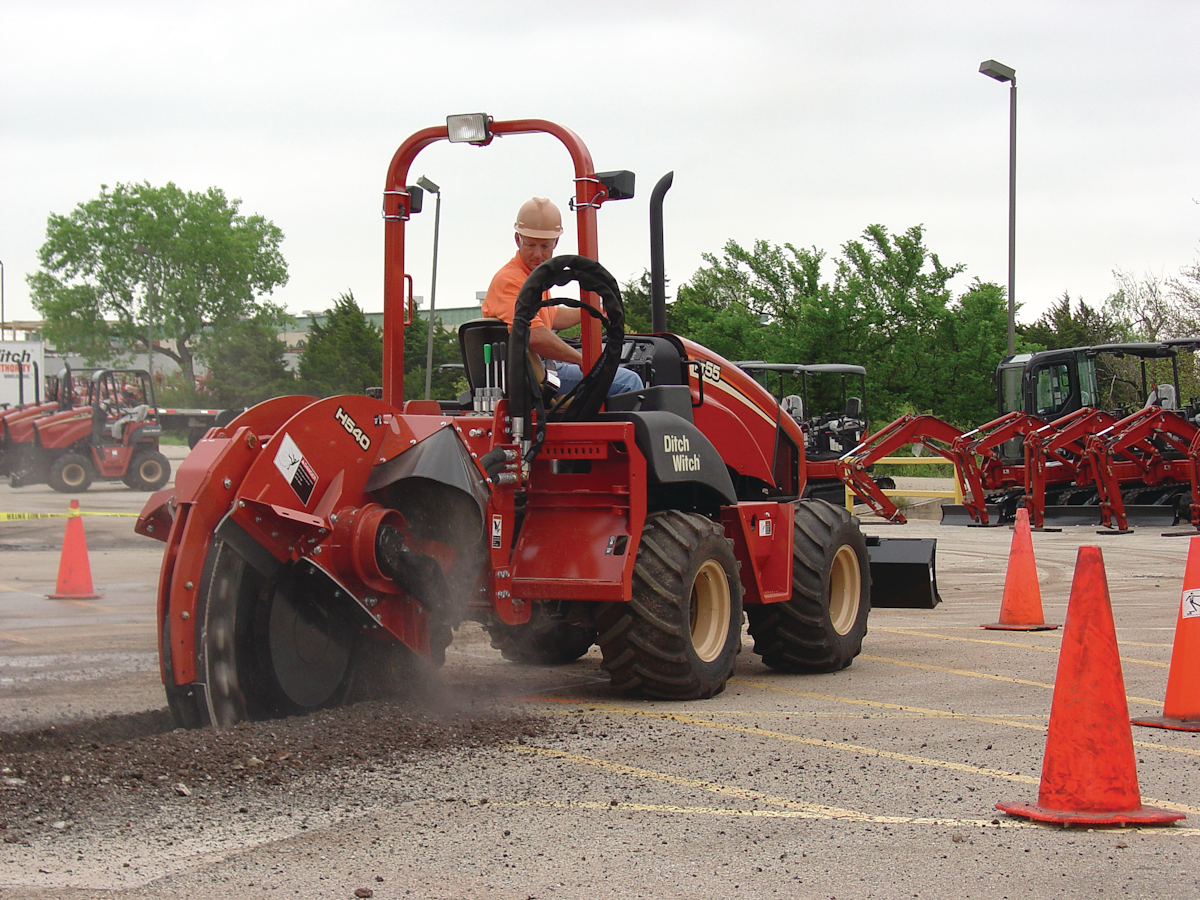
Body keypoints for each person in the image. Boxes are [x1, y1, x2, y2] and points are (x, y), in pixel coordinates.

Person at [482, 197, 642, 398]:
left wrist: (593, 312)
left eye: (545, 246)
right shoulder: (511, 280)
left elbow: (551, 315)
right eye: (531, 245)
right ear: (517, 239)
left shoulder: (533, 276)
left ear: (556, 243)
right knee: (630, 381)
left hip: (537, 367)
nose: (538, 254)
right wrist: (582, 360)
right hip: (534, 371)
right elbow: (535, 334)